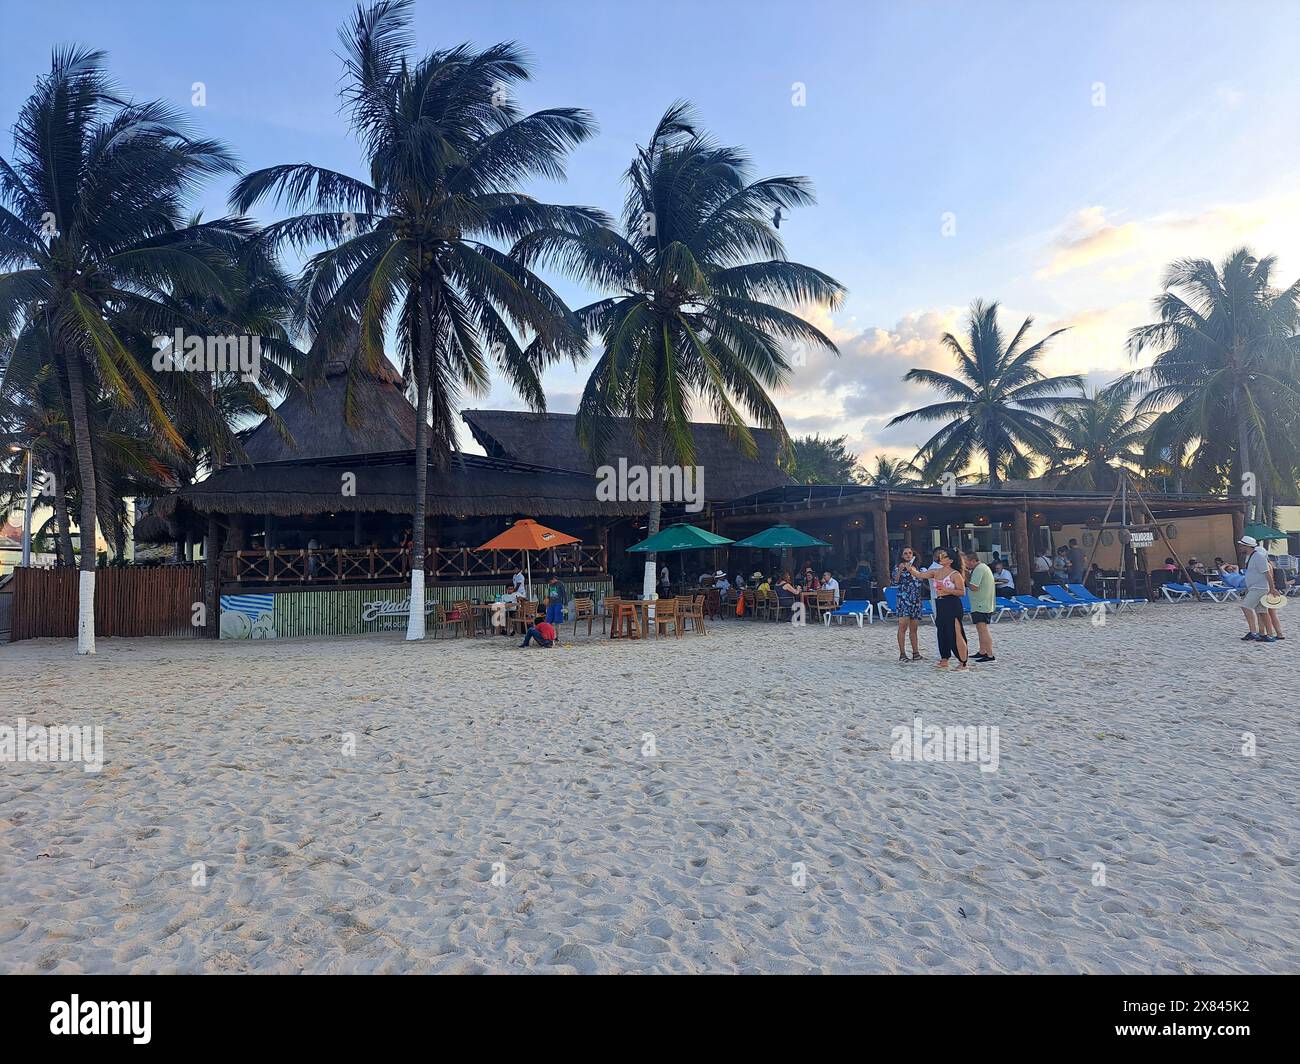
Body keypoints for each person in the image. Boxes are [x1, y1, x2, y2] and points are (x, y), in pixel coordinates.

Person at [928, 549, 969, 669]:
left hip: (952, 603)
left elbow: (962, 592)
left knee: (956, 632)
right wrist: (911, 569)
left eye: (944, 556)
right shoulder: (937, 571)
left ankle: (963, 661)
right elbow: (921, 575)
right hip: (940, 603)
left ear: (950, 560)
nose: (941, 557)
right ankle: (944, 658)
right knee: (942, 631)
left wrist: (946, 590)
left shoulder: (955, 574)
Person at [1237, 535, 1278, 643]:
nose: (1240, 547)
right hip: (1256, 587)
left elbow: (1267, 574)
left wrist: (1272, 588)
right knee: (1262, 611)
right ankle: (1268, 635)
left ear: (1247, 546)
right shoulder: (1251, 556)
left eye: (1242, 545)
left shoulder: (1258, 556)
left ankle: (1253, 632)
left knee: (1245, 607)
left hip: (1259, 587)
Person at [892, 547, 925, 661]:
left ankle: (916, 652)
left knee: (914, 628)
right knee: (902, 626)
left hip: (915, 599)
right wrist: (900, 570)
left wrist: (912, 570)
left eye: (910, 553)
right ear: (902, 555)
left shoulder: (918, 568)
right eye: (905, 553)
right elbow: (895, 581)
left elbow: (921, 580)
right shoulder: (897, 568)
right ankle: (902, 653)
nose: (908, 555)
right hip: (904, 599)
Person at [963, 551, 995, 662]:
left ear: (973, 561)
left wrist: (966, 578)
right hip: (980, 603)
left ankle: (990, 654)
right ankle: (982, 651)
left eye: (967, 562)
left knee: (983, 629)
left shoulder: (979, 569)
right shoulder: (981, 568)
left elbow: (974, 587)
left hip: (981, 604)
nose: (966, 564)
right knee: (980, 628)